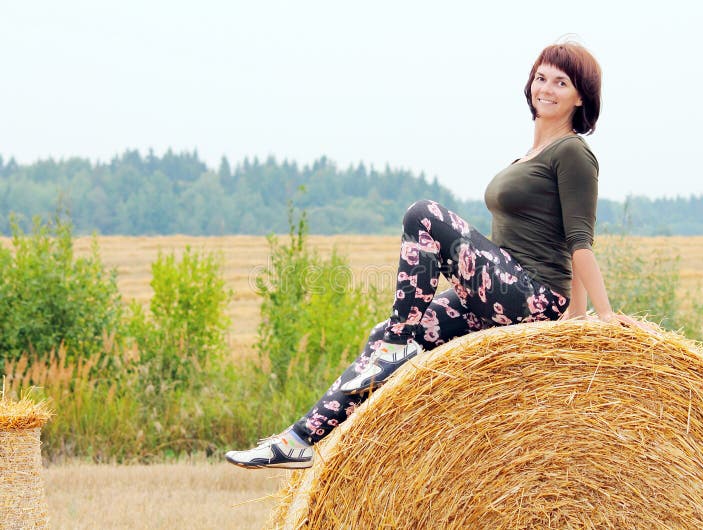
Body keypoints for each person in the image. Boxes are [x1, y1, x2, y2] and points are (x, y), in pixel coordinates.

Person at [225, 41, 631, 470]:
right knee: (382, 335)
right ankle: (298, 441)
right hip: (498, 294)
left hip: (531, 297)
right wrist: (577, 315)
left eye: (561, 82)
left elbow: (579, 241)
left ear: (580, 96)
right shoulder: (528, 156)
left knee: (424, 216)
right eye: (541, 77)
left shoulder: (573, 152)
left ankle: (399, 344)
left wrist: (597, 315)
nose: (546, 88)